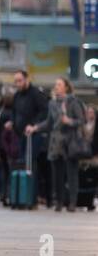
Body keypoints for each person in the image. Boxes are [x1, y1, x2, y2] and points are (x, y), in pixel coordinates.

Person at [31, 77, 86, 212]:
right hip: (56, 142)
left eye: (59, 84)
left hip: (70, 141)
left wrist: (69, 121)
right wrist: (35, 128)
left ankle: (72, 202)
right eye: (55, 85)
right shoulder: (52, 103)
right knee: (57, 174)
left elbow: (82, 120)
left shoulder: (74, 102)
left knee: (71, 173)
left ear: (66, 87)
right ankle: (59, 202)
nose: (56, 87)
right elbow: (49, 123)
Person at [5, 69, 50, 205]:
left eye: (19, 81)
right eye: (16, 81)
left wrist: (33, 125)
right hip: (21, 135)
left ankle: (32, 197)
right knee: (23, 164)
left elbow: (44, 112)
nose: (17, 84)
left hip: (34, 135)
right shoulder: (18, 95)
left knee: (31, 164)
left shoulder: (36, 94)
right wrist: (12, 122)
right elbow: (14, 111)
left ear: (26, 80)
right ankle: (23, 196)